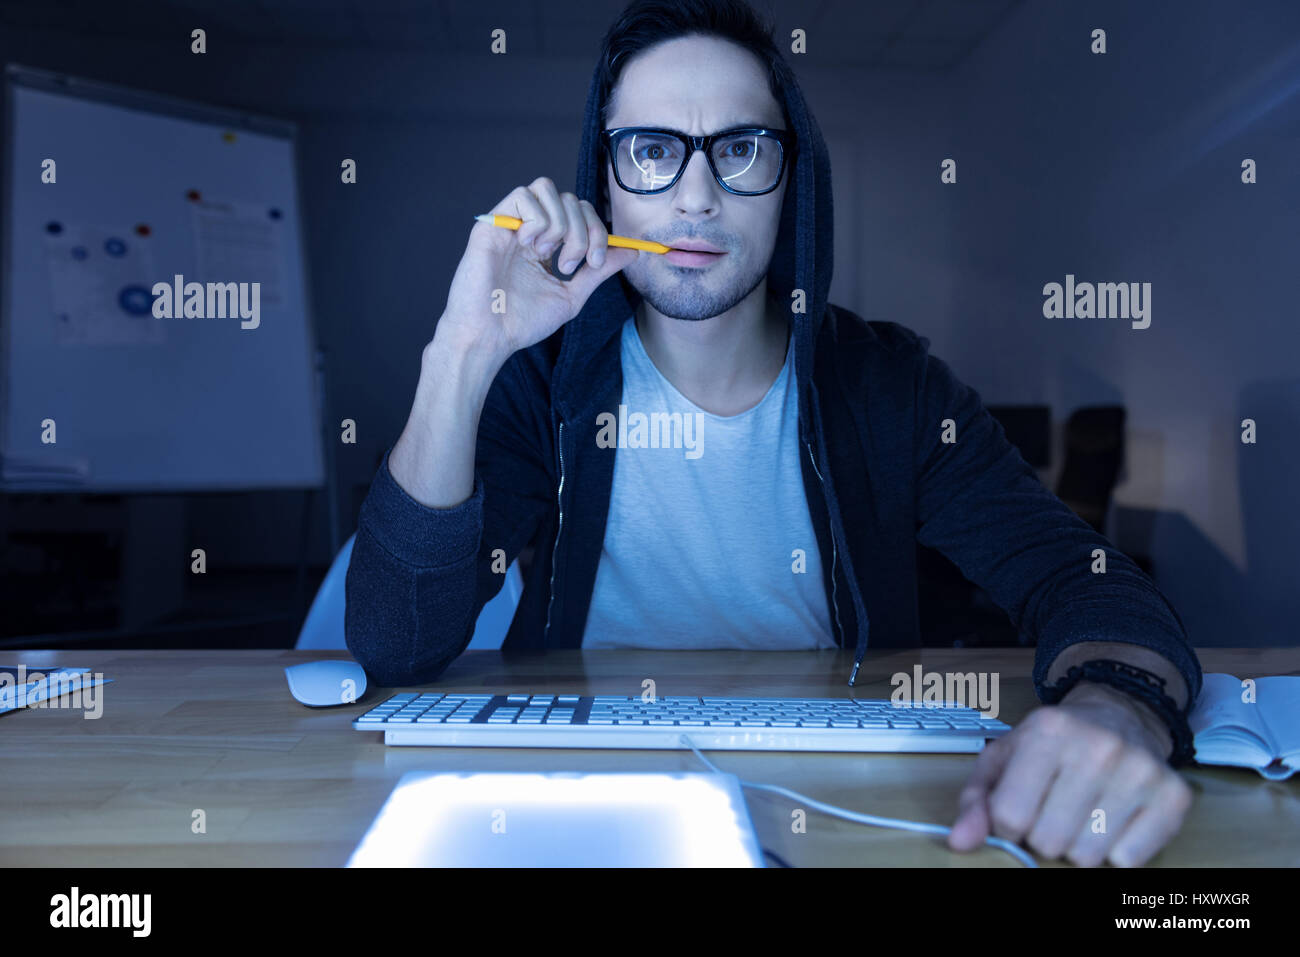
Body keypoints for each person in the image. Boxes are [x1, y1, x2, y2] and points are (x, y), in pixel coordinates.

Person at [345, 0, 1201, 867]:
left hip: (841, 795)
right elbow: (395, 640)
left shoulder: (891, 386)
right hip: (580, 784)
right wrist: (463, 348)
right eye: (651, 150)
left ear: (793, 178)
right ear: (604, 178)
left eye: (741, 149)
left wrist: (1115, 708)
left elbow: (1079, 575)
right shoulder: (546, 377)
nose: (695, 196)